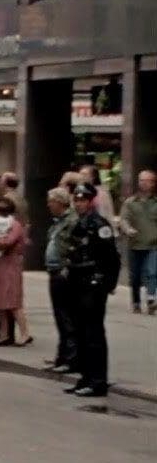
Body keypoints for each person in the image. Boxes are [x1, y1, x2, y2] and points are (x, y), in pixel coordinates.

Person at [65, 183, 121, 397]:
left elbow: (111, 258)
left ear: (91, 201)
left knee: (93, 334)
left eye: (83, 200)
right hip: (78, 283)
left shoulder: (99, 225)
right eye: (76, 200)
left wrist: (108, 284)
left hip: (93, 285)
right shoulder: (79, 224)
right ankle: (85, 377)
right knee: (81, 333)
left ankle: (98, 381)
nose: (79, 203)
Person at [43, 187, 79, 374]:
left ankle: (71, 359)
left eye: (51, 201)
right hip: (54, 271)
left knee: (67, 317)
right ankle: (62, 356)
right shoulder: (58, 222)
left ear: (60, 202)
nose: (48, 205)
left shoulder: (72, 221)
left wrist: (67, 267)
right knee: (60, 316)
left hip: (64, 273)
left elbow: (76, 246)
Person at [0, 197, 30, 346]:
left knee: (13, 301)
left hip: (11, 264)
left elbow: (8, 242)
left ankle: (25, 333)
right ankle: (3, 334)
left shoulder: (15, 224)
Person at [117, 169, 156, 314]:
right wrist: (128, 229)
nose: (145, 183)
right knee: (135, 277)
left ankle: (151, 299)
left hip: (153, 244)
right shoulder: (130, 202)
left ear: (153, 183)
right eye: (142, 180)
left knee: (152, 272)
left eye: (148, 180)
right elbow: (124, 219)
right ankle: (136, 302)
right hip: (135, 245)